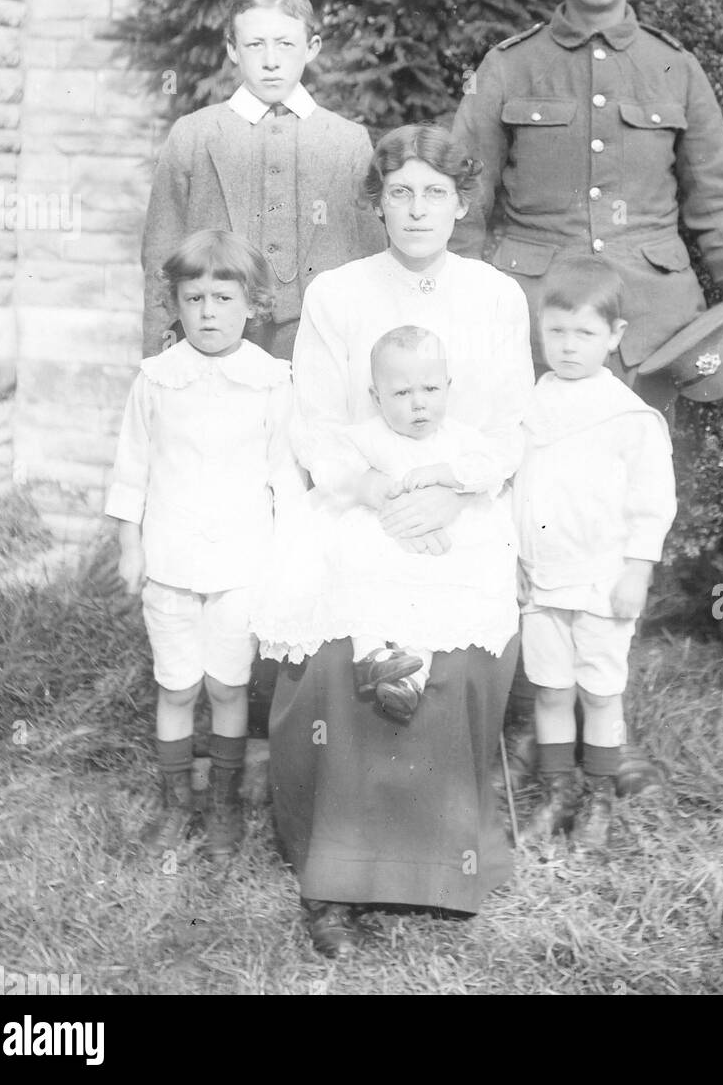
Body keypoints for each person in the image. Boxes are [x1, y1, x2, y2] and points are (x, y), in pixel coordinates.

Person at [268, 125, 534, 959]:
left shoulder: (495, 295)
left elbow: (509, 423)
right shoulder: (337, 294)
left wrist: (452, 494)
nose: (418, 210)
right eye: (400, 193)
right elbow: (312, 424)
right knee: (346, 595)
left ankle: (442, 862)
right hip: (359, 491)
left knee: (464, 593)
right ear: (375, 204)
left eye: (435, 193)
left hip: (461, 494)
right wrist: (381, 495)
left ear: (462, 203)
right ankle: (338, 873)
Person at [449, 0, 723, 402]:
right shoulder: (508, 66)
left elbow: (718, 202)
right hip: (533, 326)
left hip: (653, 331)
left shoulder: (676, 68)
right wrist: (458, 307)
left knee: (640, 475)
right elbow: (464, 196)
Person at [106, 231, 303, 864]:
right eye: (195, 298)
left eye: (224, 297)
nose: (209, 312)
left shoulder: (272, 382)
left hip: (241, 566)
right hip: (169, 563)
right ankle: (175, 804)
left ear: (253, 304)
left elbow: (285, 478)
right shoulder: (158, 381)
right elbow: (131, 470)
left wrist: (288, 560)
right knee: (176, 686)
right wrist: (129, 546)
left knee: (227, 687)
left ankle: (223, 803)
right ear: (177, 302)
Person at [254, 323, 520, 722]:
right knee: (355, 574)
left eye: (430, 390)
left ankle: (410, 677)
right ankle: (371, 654)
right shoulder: (368, 436)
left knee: (436, 597)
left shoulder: (459, 441)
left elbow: (490, 468)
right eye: (401, 393)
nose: (418, 404)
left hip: (439, 541)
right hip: (379, 535)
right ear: (376, 397)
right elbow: (330, 466)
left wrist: (451, 477)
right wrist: (365, 486)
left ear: (448, 386)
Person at [514, 255, 676, 852]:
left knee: (600, 693)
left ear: (614, 338)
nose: (568, 346)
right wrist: (516, 558)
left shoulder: (628, 417)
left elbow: (651, 503)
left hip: (603, 580)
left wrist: (637, 569)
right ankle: (557, 793)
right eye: (556, 331)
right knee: (552, 691)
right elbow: (518, 487)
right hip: (543, 579)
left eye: (585, 333)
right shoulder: (531, 405)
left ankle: (600, 795)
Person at [141, 0, 384, 360]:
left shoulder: (347, 140)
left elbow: (373, 260)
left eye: (286, 44)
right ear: (233, 49)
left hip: (316, 342)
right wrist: (159, 360)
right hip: (215, 343)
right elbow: (160, 259)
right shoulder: (194, 135)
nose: (271, 60)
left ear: (312, 48)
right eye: (255, 44)